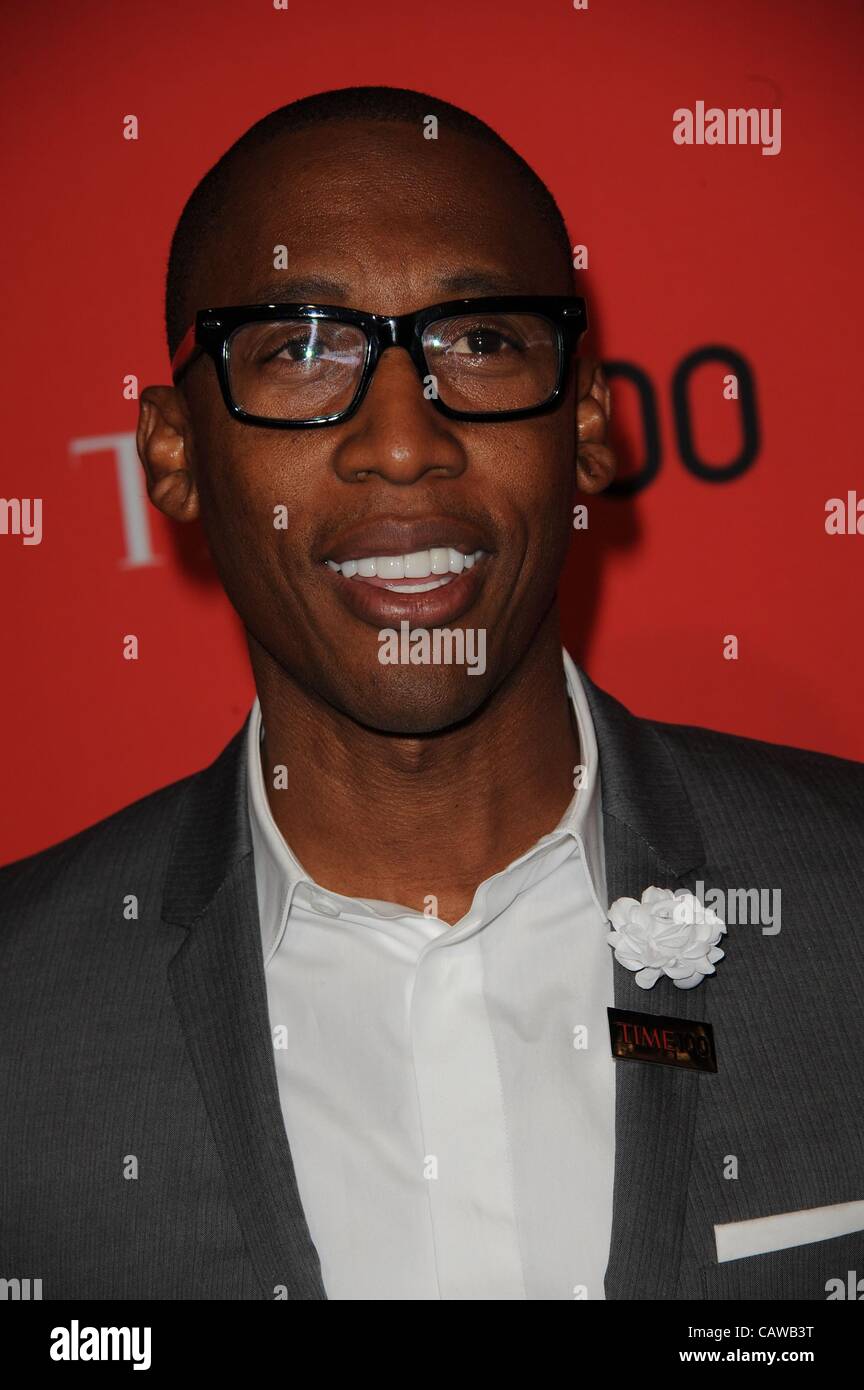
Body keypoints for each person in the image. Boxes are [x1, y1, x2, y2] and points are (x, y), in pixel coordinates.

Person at [1, 85, 862, 1303]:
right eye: (300, 347)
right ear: (173, 454)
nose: (404, 440)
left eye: (482, 338)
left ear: (593, 426)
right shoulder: (22, 1014)